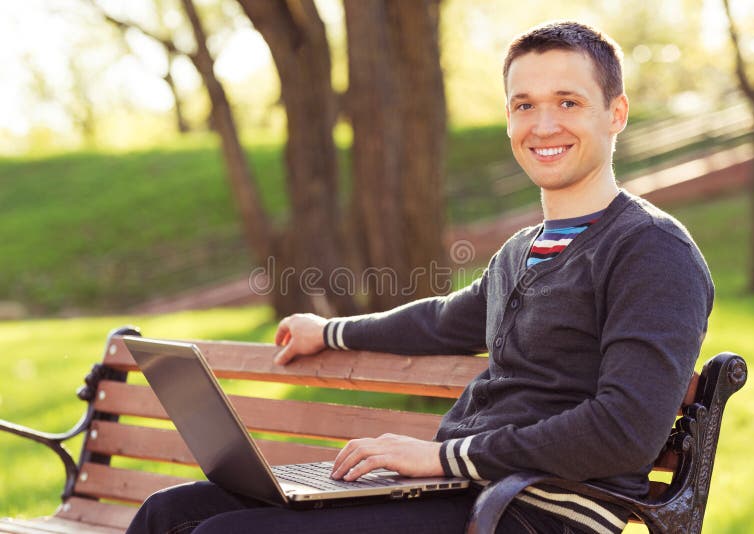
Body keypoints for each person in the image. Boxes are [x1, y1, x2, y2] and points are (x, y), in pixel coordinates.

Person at [126, 20, 713, 534]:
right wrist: (327, 332)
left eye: (567, 102)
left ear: (616, 113)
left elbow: (623, 431)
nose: (542, 124)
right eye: (523, 104)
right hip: (462, 489)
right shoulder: (520, 252)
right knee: (167, 514)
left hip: (541, 510)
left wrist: (443, 458)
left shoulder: (652, 252)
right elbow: (438, 321)